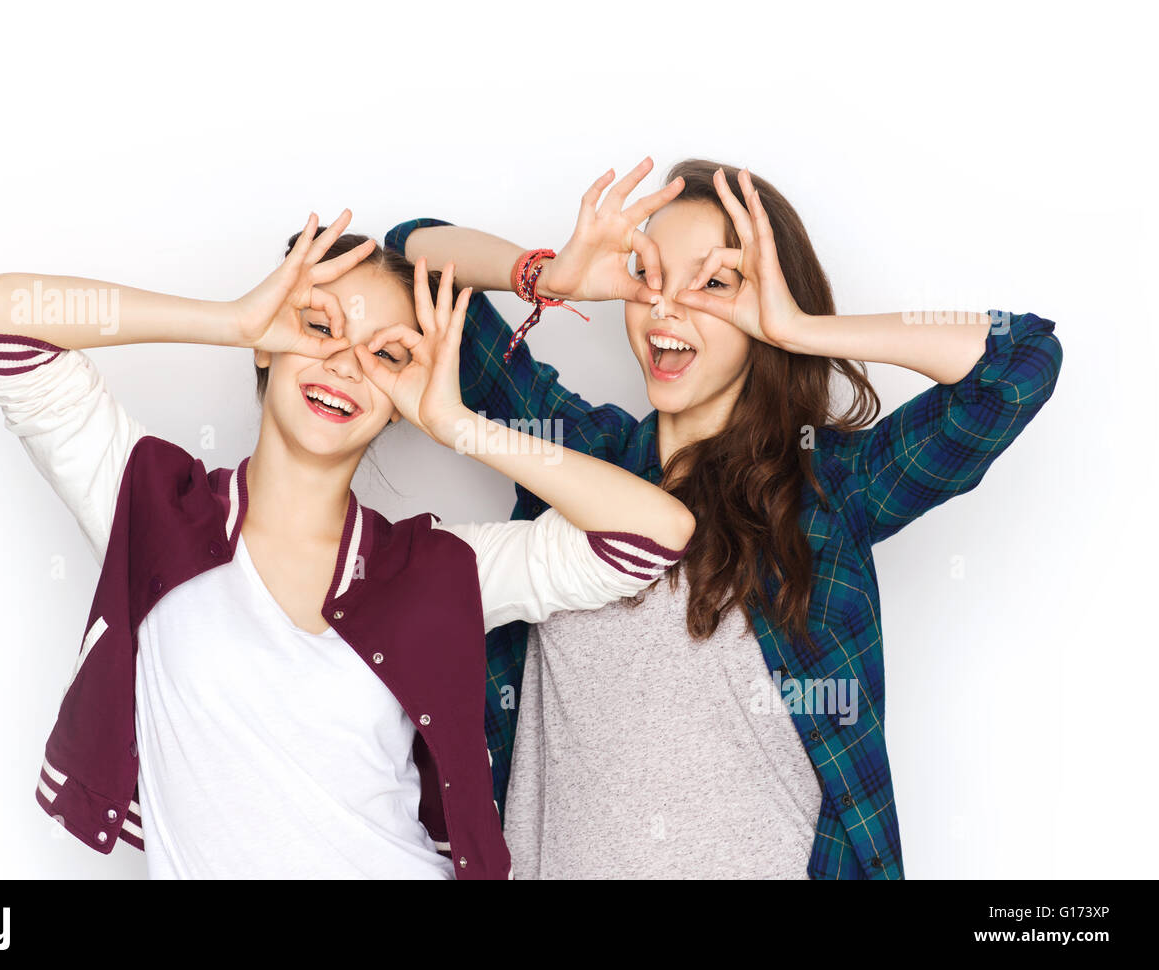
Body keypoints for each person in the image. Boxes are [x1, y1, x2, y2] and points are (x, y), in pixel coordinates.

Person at [0, 209, 694, 879]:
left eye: (385, 354)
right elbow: (1, 317)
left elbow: (655, 534)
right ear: (267, 347)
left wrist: (455, 424)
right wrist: (232, 320)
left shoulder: (436, 571)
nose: (346, 363)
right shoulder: (157, 509)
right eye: (318, 328)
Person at [388, 157, 1063, 878]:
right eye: (651, 275)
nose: (668, 307)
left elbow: (1018, 365)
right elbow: (409, 254)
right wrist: (549, 278)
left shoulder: (829, 486)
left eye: (715, 283)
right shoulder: (576, 454)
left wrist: (801, 329)